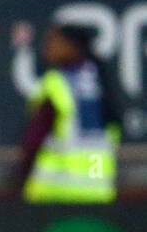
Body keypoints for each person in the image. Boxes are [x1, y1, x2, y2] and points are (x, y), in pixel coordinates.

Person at [14, 25, 122, 202]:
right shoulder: (101, 81)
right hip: (97, 190)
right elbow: (113, 130)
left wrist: (22, 177)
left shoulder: (56, 84)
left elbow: (34, 139)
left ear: (73, 46)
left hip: (55, 191)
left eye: (54, 42)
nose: (47, 48)